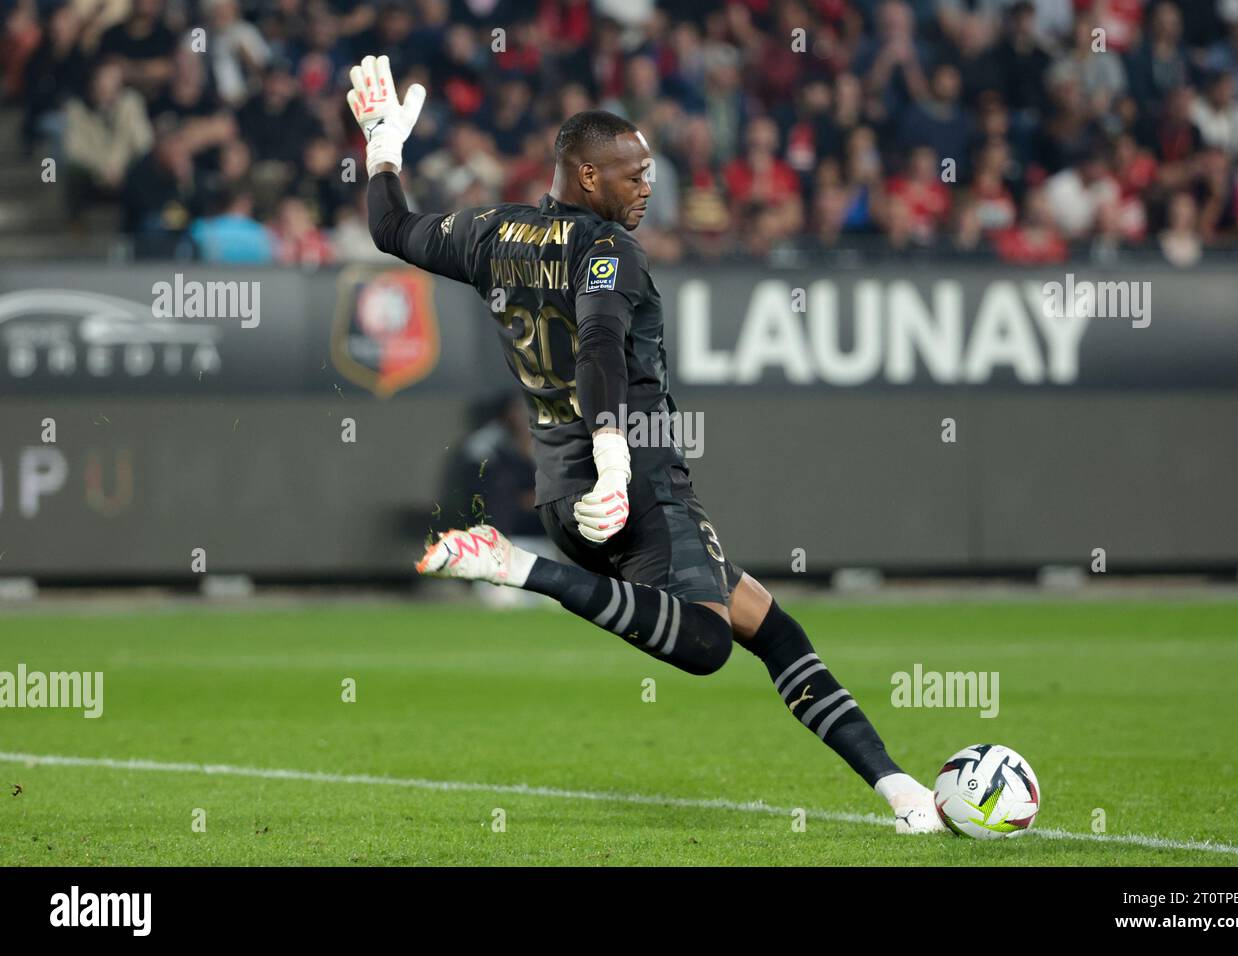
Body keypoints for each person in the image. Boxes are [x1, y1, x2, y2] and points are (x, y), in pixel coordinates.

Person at [348, 55, 943, 834]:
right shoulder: (607, 248)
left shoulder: (494, 232)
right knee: (704, 644)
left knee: (769, 627)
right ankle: (517, 565)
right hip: (635, 480)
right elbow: (599, 344)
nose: (647, 187)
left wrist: (382, 151)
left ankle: (901, 793)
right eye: (633, 175)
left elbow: (392, 228)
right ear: (587, 175)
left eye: (650, 172)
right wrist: (615, 453)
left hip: (566, 493)